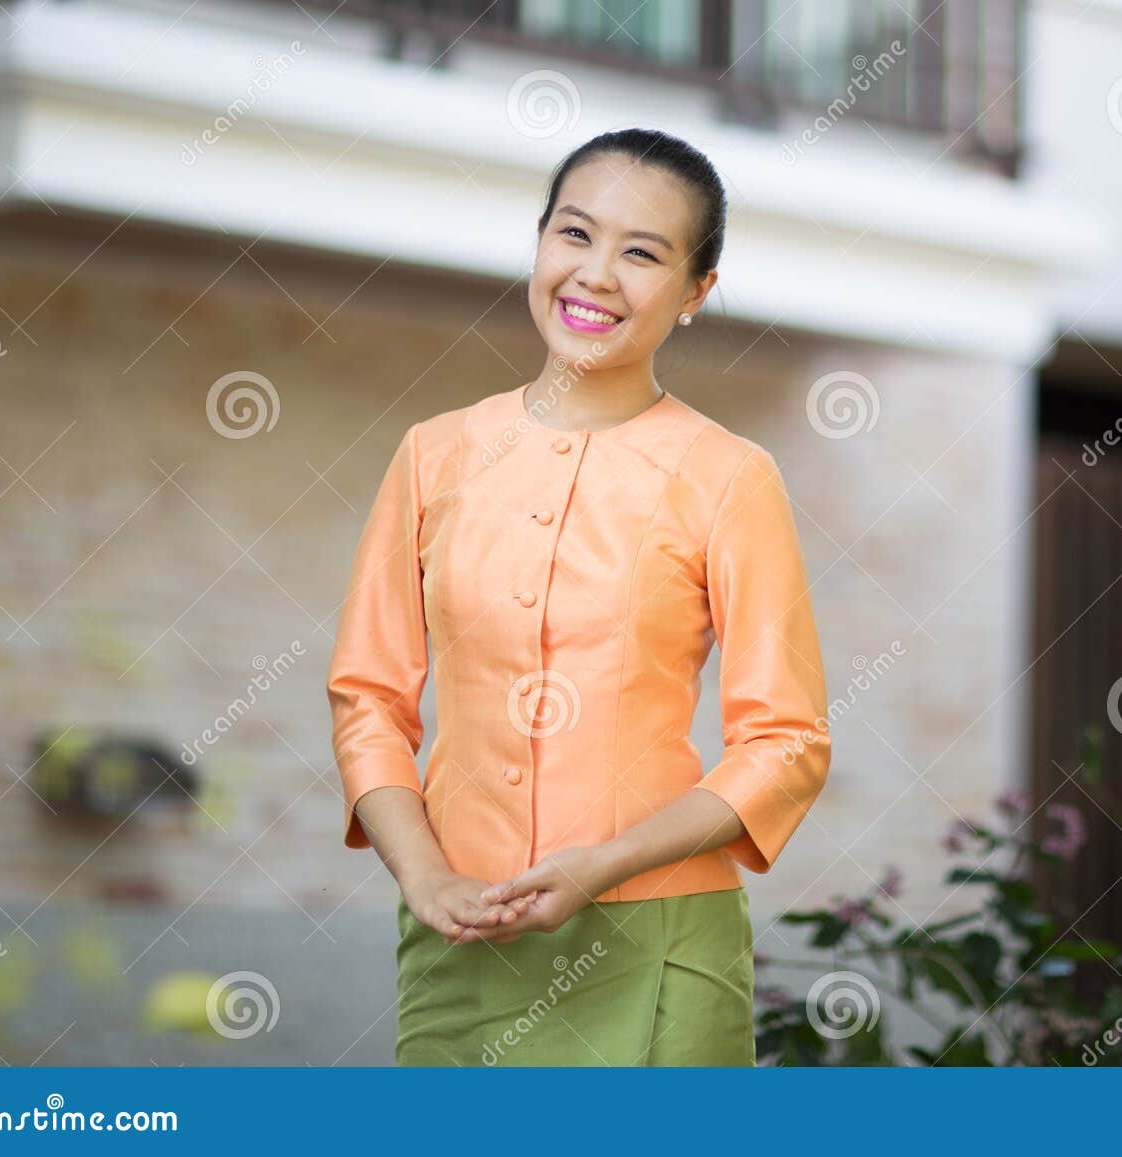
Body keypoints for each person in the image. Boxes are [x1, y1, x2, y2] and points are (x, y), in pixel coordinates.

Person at [325, 127, 831, 1066]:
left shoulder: (730, 475)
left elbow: (787, 742)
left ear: (694, 293)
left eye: (642, 253)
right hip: (459, 938)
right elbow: (368, 702)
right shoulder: (434, 455)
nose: (595, 274)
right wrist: (425, 873)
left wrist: (601, 866)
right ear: (540, 244)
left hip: (659, 940)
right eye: (574, 234)